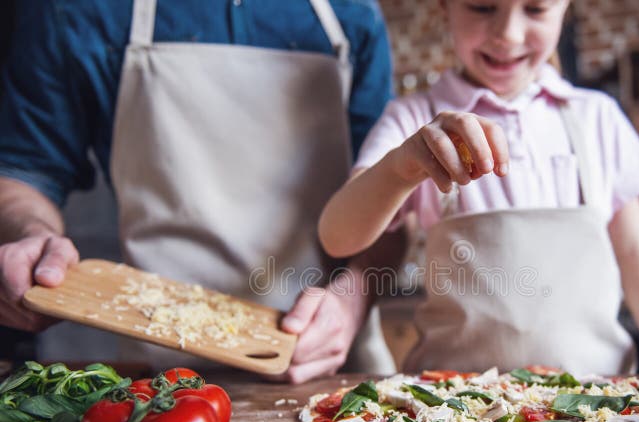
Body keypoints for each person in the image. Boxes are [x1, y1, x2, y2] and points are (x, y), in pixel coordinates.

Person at [318, 0, 639, 386]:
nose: (508, 33)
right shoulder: (413, 119)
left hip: (598, 408)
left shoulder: (596, 117)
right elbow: (338, 237)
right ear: (445, 7)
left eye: (536, 8)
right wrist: (404, 166)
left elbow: (637, 251)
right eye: (482, 6)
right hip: (455, 410)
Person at [0, 0, 396, 383]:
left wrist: (353, 298)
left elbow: (394, 207)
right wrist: (33, 236)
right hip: (162, 376)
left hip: (329, 367)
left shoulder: (353, 12)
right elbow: (24, 173)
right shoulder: (76, 8)